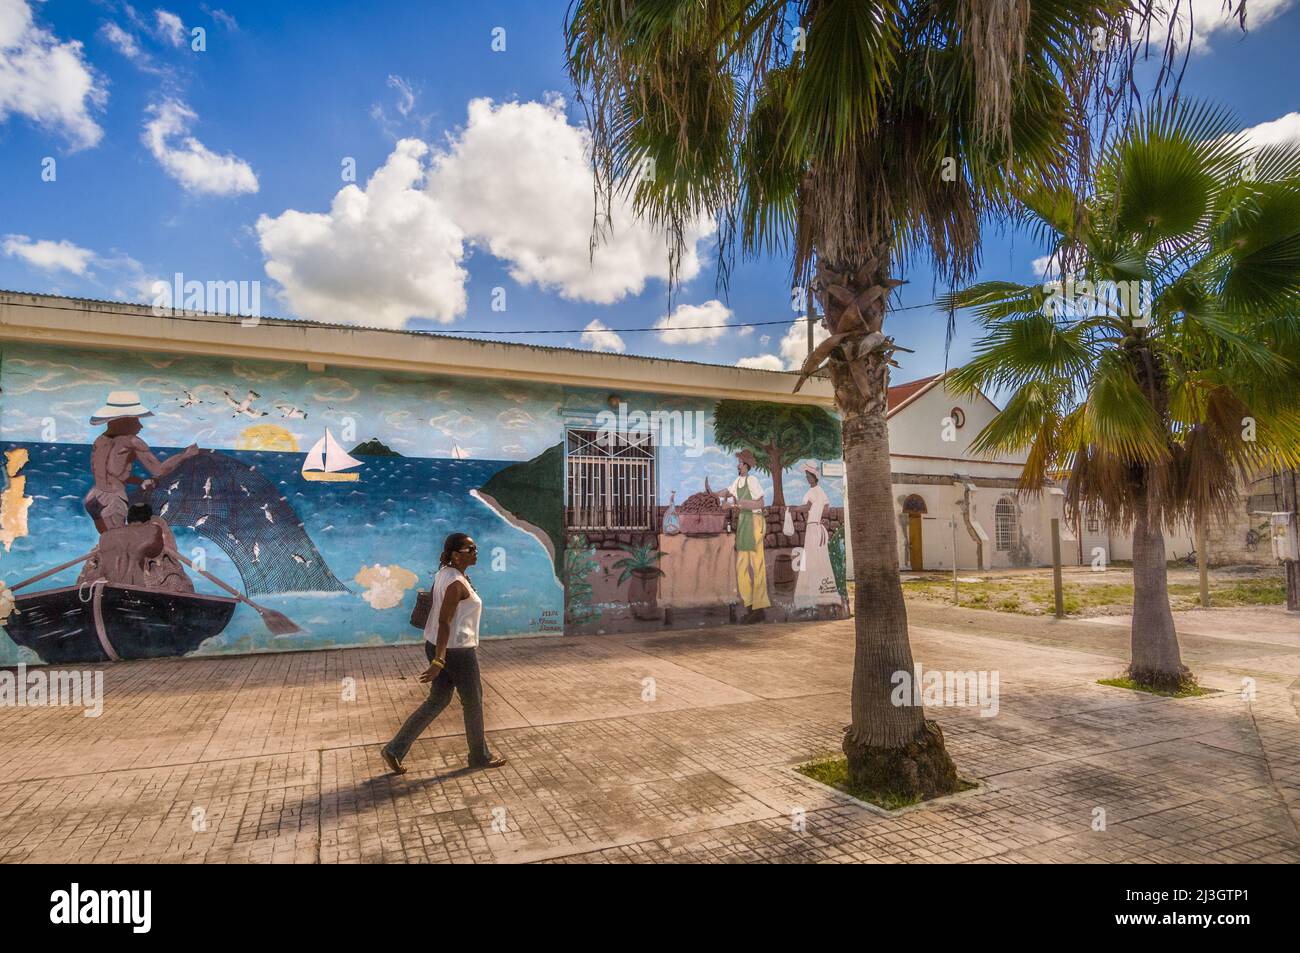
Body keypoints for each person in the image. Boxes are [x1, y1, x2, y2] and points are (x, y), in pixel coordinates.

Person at [381, 533, 506, 774]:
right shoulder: (456, 583)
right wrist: (440, 660)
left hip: (439, 645)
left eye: (475, 548)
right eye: (470, 549)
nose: (475, 552)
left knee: (438, 700)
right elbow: (444, 621)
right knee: (473, 702)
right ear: (456, 554)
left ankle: (395, 749)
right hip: (456, 650)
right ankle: (479, 756)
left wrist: (439, 656)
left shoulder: (445, 574)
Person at [83, 391, 199, 534]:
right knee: (118, 542)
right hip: (113, 500)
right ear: (124, 420)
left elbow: (112, 473)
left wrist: (140, 481)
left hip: (94, 496)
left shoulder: (100, 441)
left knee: (105, 541)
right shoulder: (132, 441)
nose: (140, 426)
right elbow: (159, 471)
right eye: (136, 420)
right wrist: (185, 455)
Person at [716, 449, 771, 622]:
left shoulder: (752, 481)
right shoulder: (737, 481)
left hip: (754, 521)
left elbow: (760, 503)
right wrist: (714, 495)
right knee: (742, 567)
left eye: (740, 462)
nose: (737, 465)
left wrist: (739, 504)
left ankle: (760, 608)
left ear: (746, 465)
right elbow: (727, 492)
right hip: (744, 523)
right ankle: (749, 606)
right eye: (738, 462)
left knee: (758, 566)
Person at [791, 463, 840, 609]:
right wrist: (817, 513)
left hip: (813, 527)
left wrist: (794, 509)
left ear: (814, 477)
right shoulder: (820, 491)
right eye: (806, 476)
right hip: (816, 526)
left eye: (809, 476)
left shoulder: (812, 492)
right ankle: (820, 590)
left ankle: (812, 591)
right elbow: (826, 507)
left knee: (812, 557)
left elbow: (807, 507)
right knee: (819, 557)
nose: (807, 478)